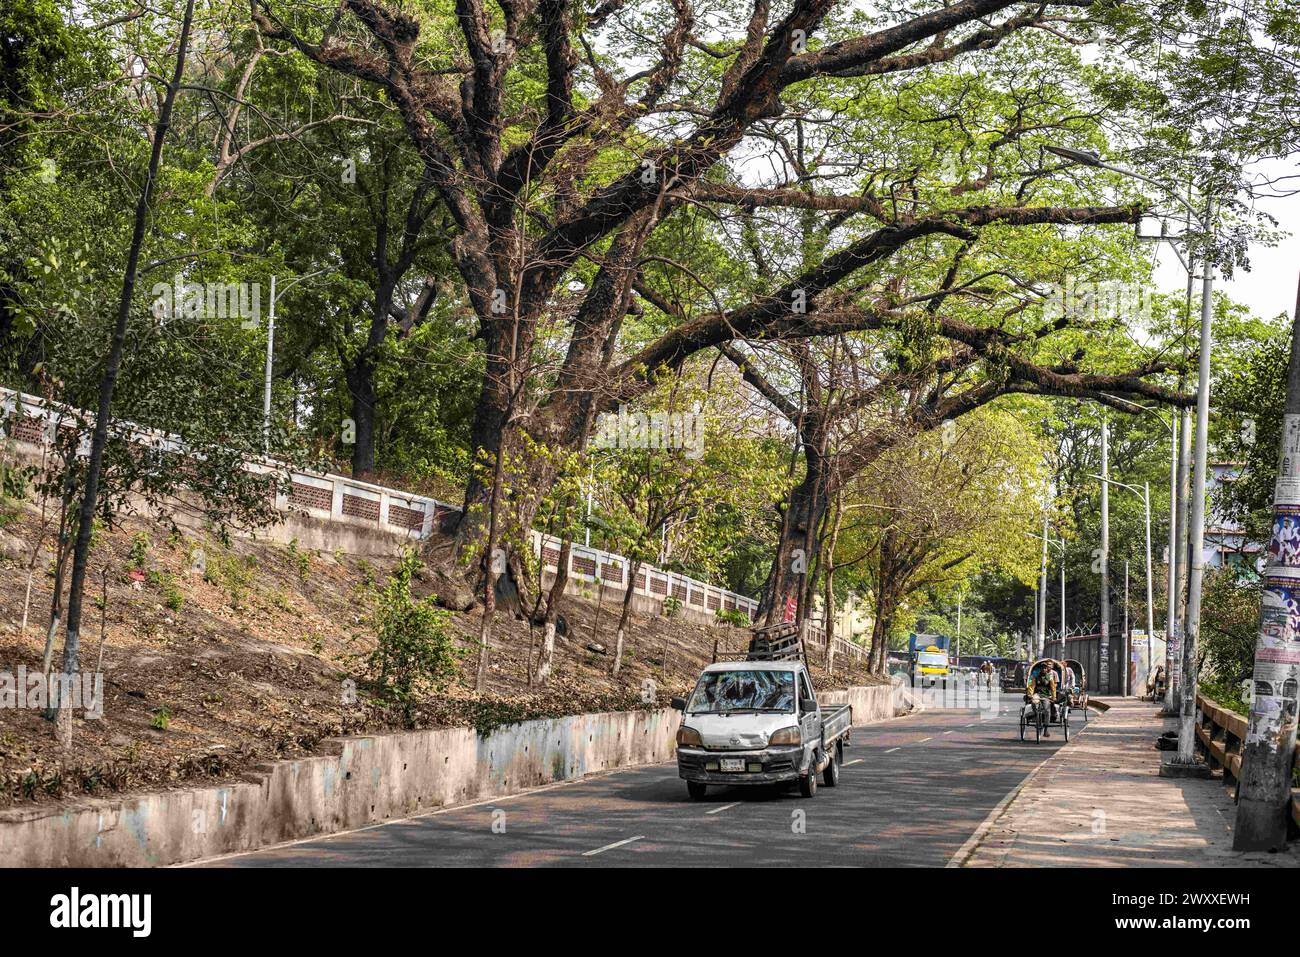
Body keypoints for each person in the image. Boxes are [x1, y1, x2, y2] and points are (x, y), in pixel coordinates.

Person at [1024, 665, 1059, 736]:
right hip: (1037, 694)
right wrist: (1030, 694)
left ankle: (1046, 730)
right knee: (1033, 702)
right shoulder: (1036, 677)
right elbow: (1032, 686)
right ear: (1041, 669)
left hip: (1046, 696)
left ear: (1047, 669)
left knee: (1047, 710)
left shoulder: (1050, 678)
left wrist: (1054, 696)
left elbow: (1053, 688)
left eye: (1045, 668)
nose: (1044, 669)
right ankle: (1036, 714)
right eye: (1042, 668)